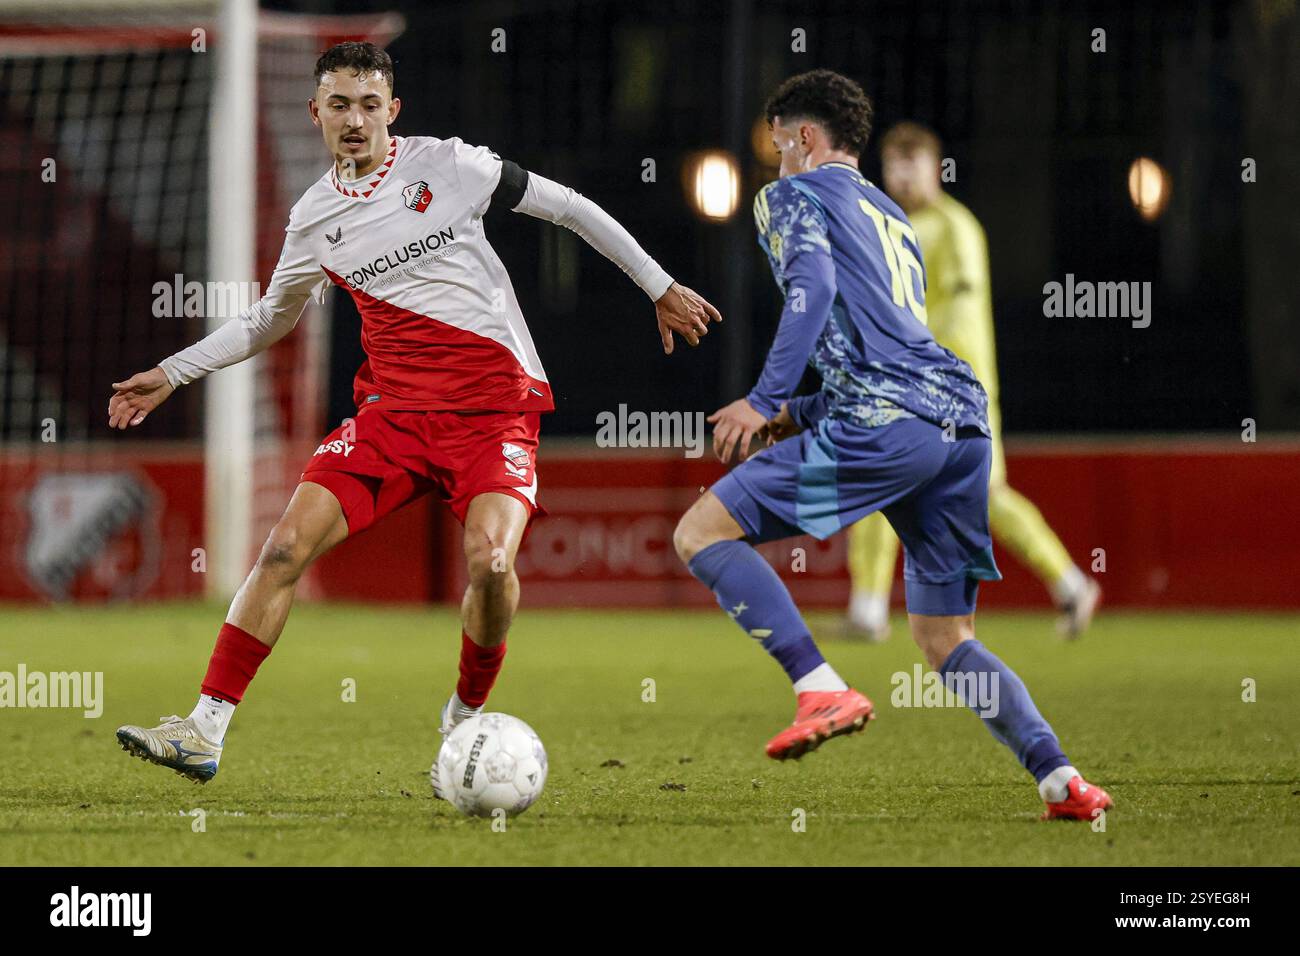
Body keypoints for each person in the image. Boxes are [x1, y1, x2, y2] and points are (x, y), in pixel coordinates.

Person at [110, 41, 720, 788]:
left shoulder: (450, 167)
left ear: (392, 111)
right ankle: (203, 731)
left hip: (493, 415)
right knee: (282, 549)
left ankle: (463, 719)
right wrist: (175, 372)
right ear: (317, 114)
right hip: (392, 419)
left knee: (491, 564)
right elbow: (272, 318)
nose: (356, 119)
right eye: (340, 105)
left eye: (370, 104)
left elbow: (569, 208)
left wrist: (657, 284)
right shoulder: (313, 219)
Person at [672, 70, 1110, 820]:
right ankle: (1061, 779)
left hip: (890, 428)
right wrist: (802, 412)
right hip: (960, 426)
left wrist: (767, 399)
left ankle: (820, 687)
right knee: (946, 639)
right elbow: (883, 347)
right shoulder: (891, 215)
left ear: (804, 139)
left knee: (701, 530)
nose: (775, 164)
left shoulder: (791, 197)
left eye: (779, 147)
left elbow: (809, 290)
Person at [845, 121, 1100, 642]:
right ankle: (867, 608)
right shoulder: (888, 227)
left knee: (984, 496)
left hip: (956, 388)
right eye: (894, 165)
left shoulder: (956, 227)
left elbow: (960, 313)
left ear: (936, 169)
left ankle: (1071, 584)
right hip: (910, 386)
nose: (903, 176)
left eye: (912, 165)